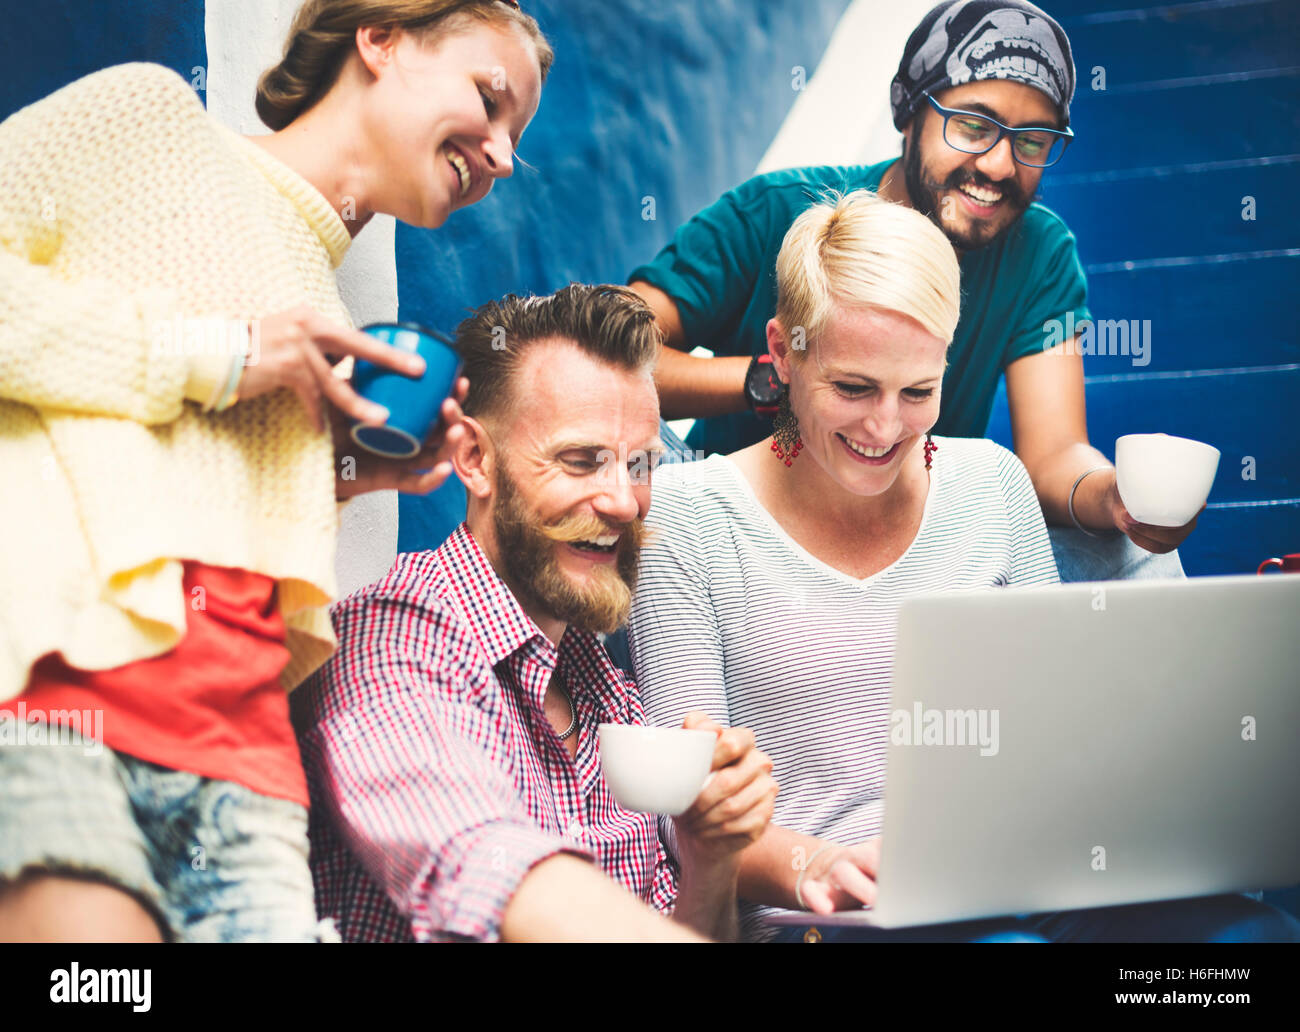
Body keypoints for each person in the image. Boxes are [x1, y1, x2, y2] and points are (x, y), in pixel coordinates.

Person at [0, 0, 550, 943]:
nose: (500, 153)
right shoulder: (150, 123)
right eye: (489, 98)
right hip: (59, 696)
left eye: (515, 139)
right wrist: (216, 357)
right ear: (379, 39)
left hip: (244, 758)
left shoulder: (316, 311)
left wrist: (335, 475)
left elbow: (180, 472)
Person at [627, 189, 1300, 943]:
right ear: (782, 353)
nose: (886, 428)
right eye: (852, 388)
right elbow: (686, 810)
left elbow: (1059, 736)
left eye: (919, 391)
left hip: (1020, 883)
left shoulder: (991, 480)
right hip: (820, 914)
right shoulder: (688, 514)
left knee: (1253, 943)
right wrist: (818, 866)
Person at [628, 0, 1198, 583]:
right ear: (909, 110)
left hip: (916, 551)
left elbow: (1053, 453)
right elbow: (608, 359)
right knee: (621, 456)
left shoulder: (1037, 252)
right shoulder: (774, 211)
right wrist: (774, 379)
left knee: (1130, 556)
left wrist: (1111, 498)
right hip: (741, 543)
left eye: (1032, 141)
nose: (1001, 165)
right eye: (975, 126)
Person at [294, 284, 779, 942]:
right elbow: (483, 861)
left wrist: (710, 860)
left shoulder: (605, 687)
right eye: (581, 461)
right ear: (473, 459)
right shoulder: (390, 639)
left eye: (639, 465)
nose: (623, 503)